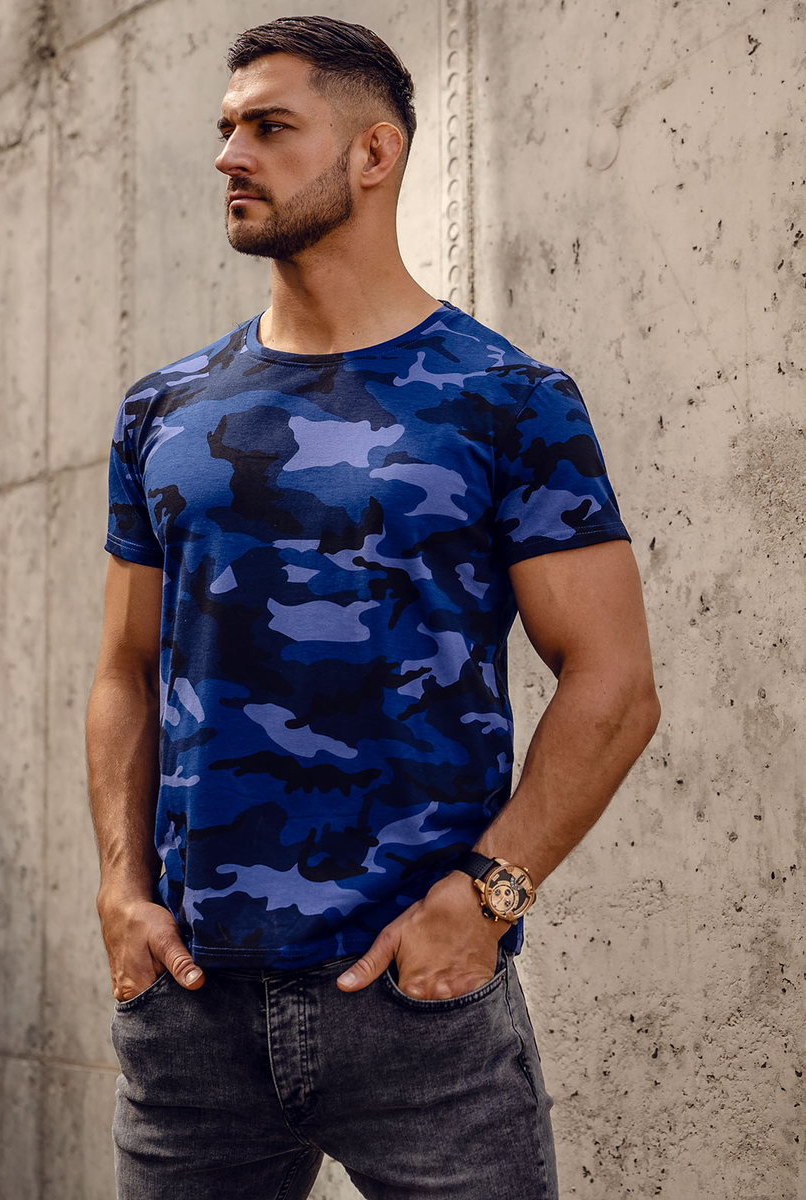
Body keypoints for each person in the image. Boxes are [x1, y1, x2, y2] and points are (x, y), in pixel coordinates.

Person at [86, 15, 660, 1200]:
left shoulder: (507, 400)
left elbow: (614, 683)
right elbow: (125, 669)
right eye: (227, 128)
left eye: (269, 127)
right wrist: (121, 891)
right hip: (191, 1013)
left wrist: (489, 897)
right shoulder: (164, 413)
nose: (229, 156)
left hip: (421, 1011)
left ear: (373, 153)